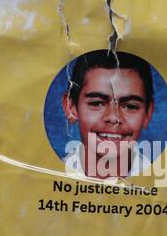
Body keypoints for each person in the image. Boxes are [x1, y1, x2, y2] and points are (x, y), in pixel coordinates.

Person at [60, 49, 155, 181]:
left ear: (148, 113)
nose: (113, 117)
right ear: (70, 108)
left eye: (130, 106)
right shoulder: (45, 179)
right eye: (97, 103)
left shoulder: (164, 187)